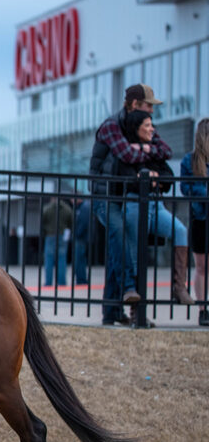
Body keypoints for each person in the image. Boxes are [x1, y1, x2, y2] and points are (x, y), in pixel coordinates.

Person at [89, 83, 172, 325]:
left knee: (117, 246)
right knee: (119, 233)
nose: (152, 112)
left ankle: (111, 312)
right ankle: (128, 289)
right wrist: (147, 148)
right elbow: (127, 154)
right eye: (148, 106)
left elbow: (166, 150)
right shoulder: (112, 126)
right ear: (135, 104)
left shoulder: (139, 125)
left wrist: (143, 146)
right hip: (105, 195)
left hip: (121, 196)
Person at [118, 109, 193, 306]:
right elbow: (127, 180)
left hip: (156, 205)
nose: (152, 129)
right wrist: (147, 179)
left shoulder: (154, 151)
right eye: (147, 125)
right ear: (137, 128)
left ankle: (179, 287)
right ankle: (135, 304)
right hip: (134, 204)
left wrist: (153, 178)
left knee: (180, 231)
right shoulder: (126, 152)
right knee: (135, 252)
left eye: (152, 125)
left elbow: (168, 178)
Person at [180, 118, 209, 325]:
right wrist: (205, 192)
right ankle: (203, 309)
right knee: (201, 266)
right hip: (200, 217)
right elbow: (185, 187)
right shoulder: (189, 161)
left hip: (201, 215)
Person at [41, 197, 73, 286]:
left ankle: (48, 282)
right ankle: (61, 282)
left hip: (50, 235)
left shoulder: (47, 208)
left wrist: (45, 232)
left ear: (52, 198)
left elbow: (42, 222)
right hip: (62, 235)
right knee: (62, 259)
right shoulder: (67, 209)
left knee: (49, 259)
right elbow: (71, 223)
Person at [73, 198, 91, 285]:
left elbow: (83, 222)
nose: (72, 201)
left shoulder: (84, 207)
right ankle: (81, 279)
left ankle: (81, 279)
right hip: (81, 237)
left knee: (79, 259)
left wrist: (77, 234)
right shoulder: (81, 207)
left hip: (81, 237)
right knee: (80, 259)